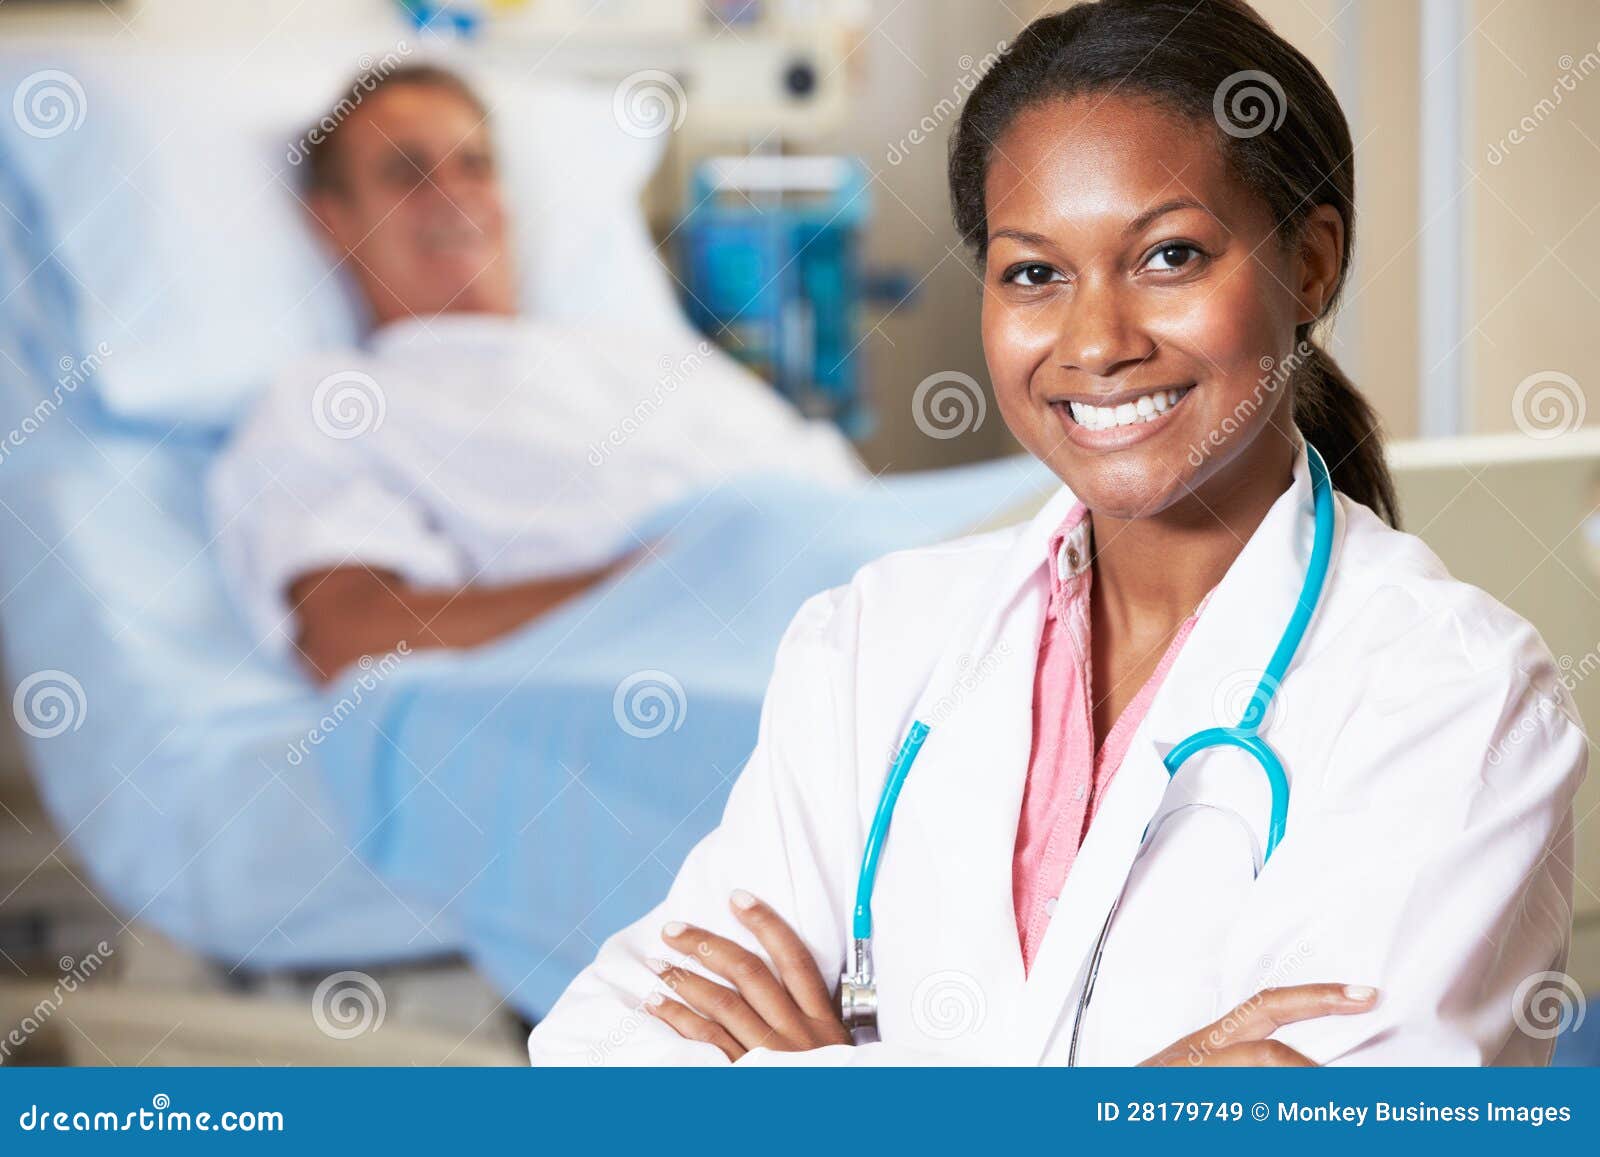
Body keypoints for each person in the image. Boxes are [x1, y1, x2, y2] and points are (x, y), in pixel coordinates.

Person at [526, 0, 1586, 1066]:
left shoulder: (1449, 693)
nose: (1096, 340)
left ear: (1308, 266)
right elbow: (599, 1059)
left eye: (1169, 256)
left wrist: (808, 1076)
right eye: (1033, 272)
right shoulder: (869, 644)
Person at [208, 65, 864, 682]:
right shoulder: (330, 400)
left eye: (475, 165)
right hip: (677, 665)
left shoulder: (652, 356)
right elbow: (350, 634)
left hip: (851, 598)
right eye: (407, 172)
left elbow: (840, 501)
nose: (452, 193)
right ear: (333, 219)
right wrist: (651, 587)